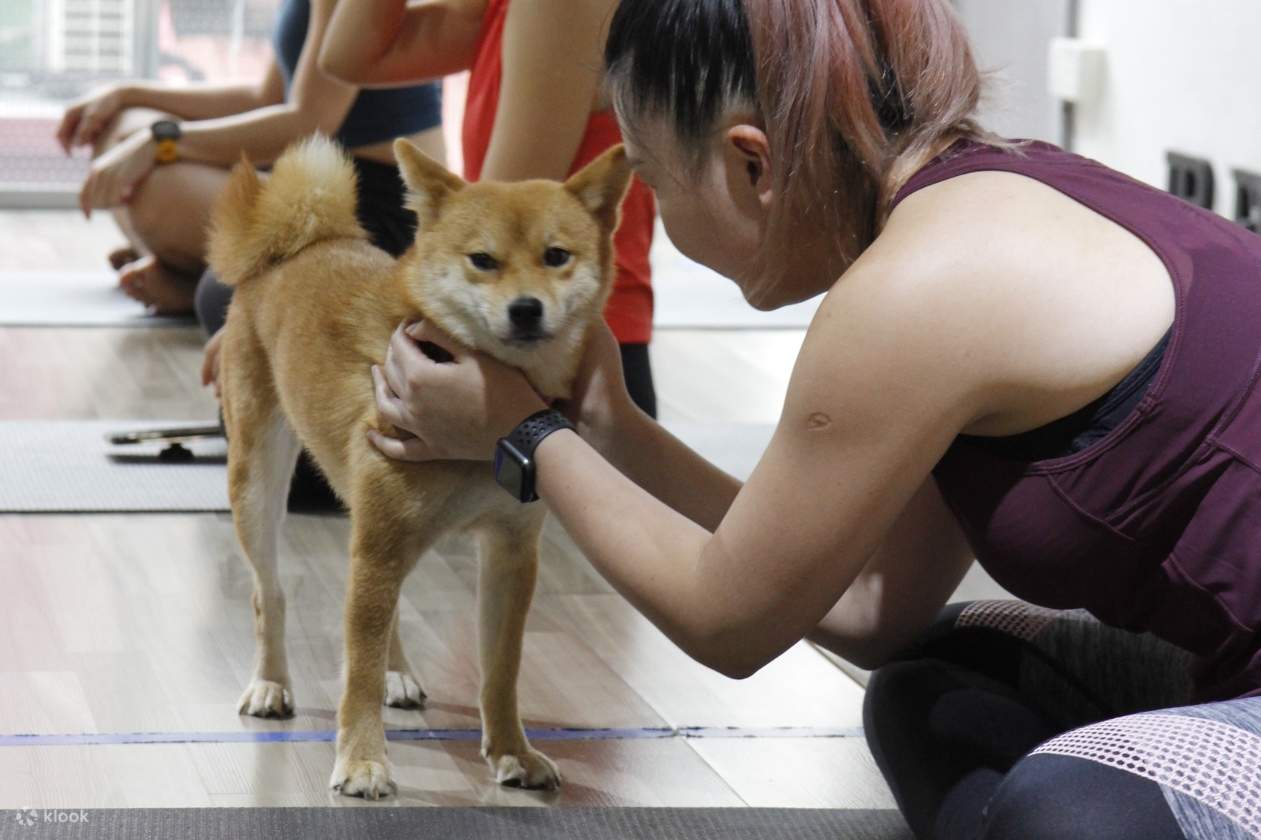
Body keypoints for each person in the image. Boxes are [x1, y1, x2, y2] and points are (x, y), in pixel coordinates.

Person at [361, 1, 1261, 838]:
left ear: (748, 164)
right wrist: (612, 428)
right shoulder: (984, 195)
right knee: (934, 681)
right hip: (1226, 665)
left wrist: (520, 437)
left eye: (652, 182)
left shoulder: (916, 288)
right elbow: (872, 608)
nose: (660, 222)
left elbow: (728, 625)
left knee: (1064, 811)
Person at [319, 0, 658, 417]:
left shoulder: (558, 8)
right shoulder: (495, 8)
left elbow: (498, 212)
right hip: (500, 340)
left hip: (569, 365)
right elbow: (346, 58)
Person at [57, 0, 445, 319]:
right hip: (309, 172)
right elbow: (265, 100)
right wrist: (129, 94)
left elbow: (309, 121)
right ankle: (205, 275)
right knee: (122, 127)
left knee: (153, 183)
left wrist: (161, 143)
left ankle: (199, 278)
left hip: (370, 205)